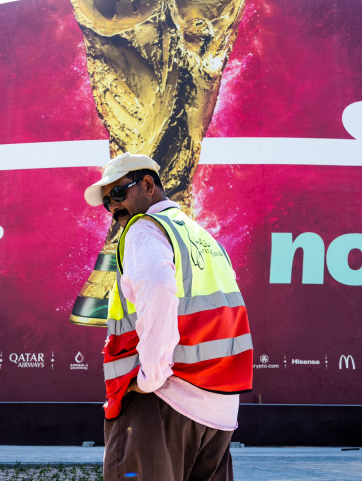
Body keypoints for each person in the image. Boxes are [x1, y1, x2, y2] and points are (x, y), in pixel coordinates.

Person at [83, 152, 253, 481]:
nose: (114, 208)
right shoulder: (203, 238)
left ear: (148, 185)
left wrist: (151, 377)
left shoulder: (143, 230)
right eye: (107, 203)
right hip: (218, 413)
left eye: (118, 193)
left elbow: (158, 292)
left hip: (164, 402)